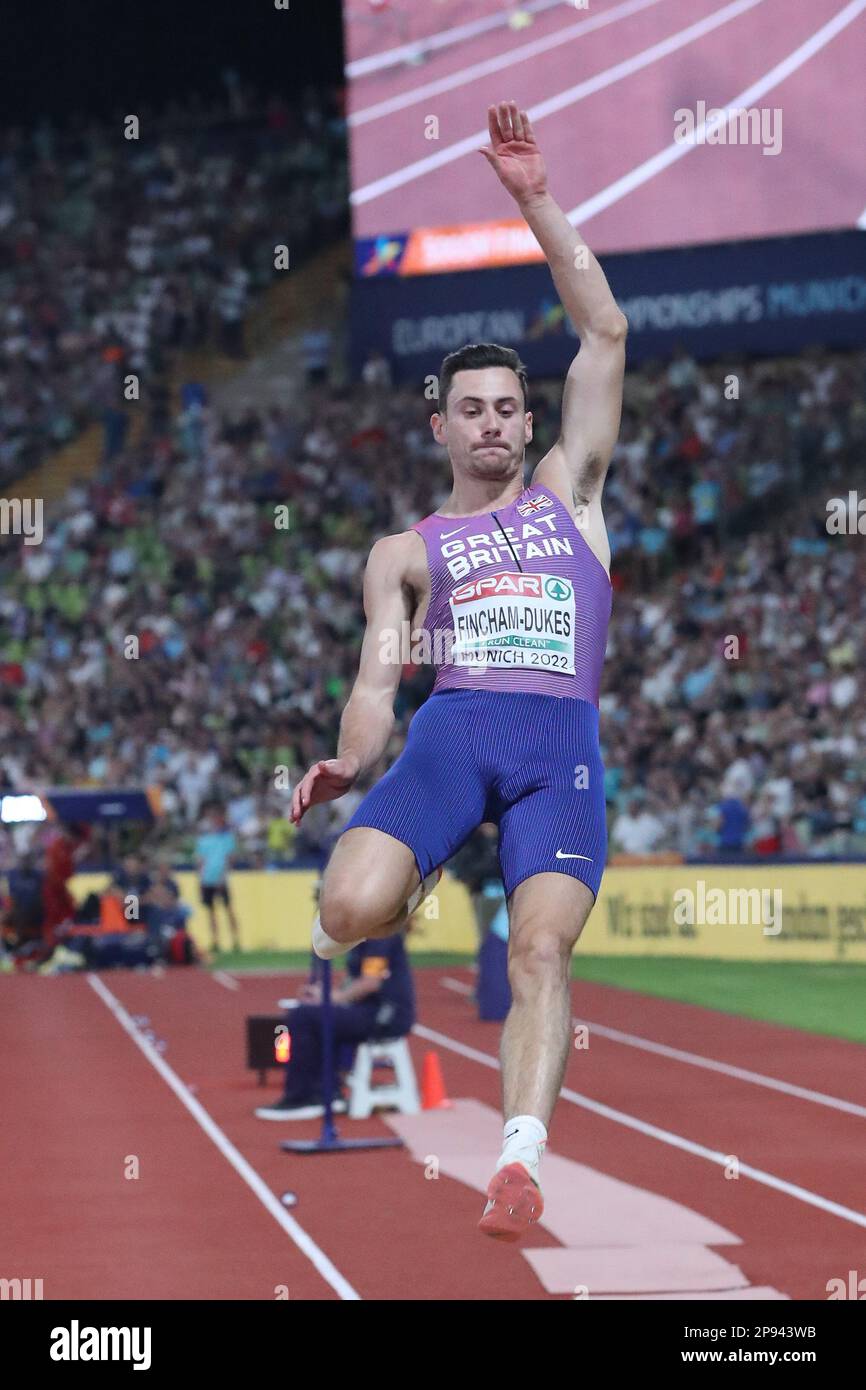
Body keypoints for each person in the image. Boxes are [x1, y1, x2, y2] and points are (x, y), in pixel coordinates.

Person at [291, 102, 626, 1240]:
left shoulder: (571, 497)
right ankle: (405, 879)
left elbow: (607, 332)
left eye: (507, 409)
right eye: (469, 410)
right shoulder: (405, 553)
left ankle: (517, 1160)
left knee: (539, 947)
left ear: (531, 424)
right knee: (347, 905)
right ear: (438, 426)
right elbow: (379, 682)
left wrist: (532, 197)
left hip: (557, 749)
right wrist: (349, 755)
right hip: (453, 734)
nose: (492, 424)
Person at [255, 931, 415, 1120]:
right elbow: (354, 982)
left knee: (303, 1016)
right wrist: (323, 994)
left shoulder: (381, 935)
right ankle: (328, 1091)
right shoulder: (364, 936)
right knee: (313, 1013)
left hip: (385, 1016)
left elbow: (370, 983)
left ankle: (304, 1096)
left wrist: (333, 998)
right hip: (370, 1010)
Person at [194, 806, 241, 953]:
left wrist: (223, 875)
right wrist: (201, 880)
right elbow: (200, 862)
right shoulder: (202, 840)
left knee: (228, 909)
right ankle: (215, 940)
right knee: (211, 911)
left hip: (221, 878)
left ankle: (235, 940)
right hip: (208, 879)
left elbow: (230, 859)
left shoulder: (227, 838)